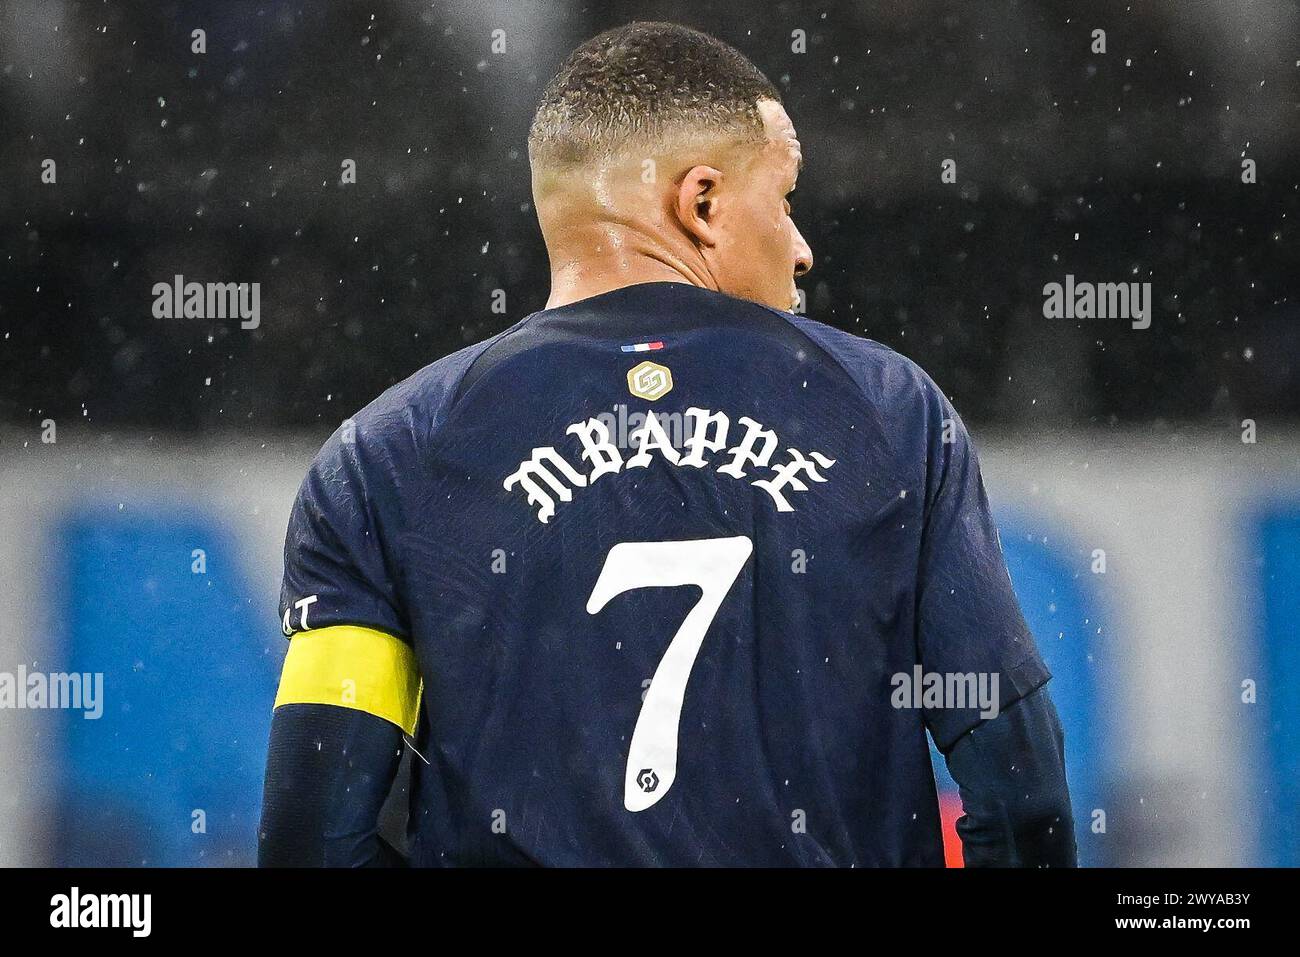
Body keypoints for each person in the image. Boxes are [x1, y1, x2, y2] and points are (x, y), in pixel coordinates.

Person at [258, 21, 1075, 867]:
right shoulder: (889, 412)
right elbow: (1021, 790)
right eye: (786, 196)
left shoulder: (383, 457)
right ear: (704, 203)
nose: (802, 246)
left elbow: (312, 841)